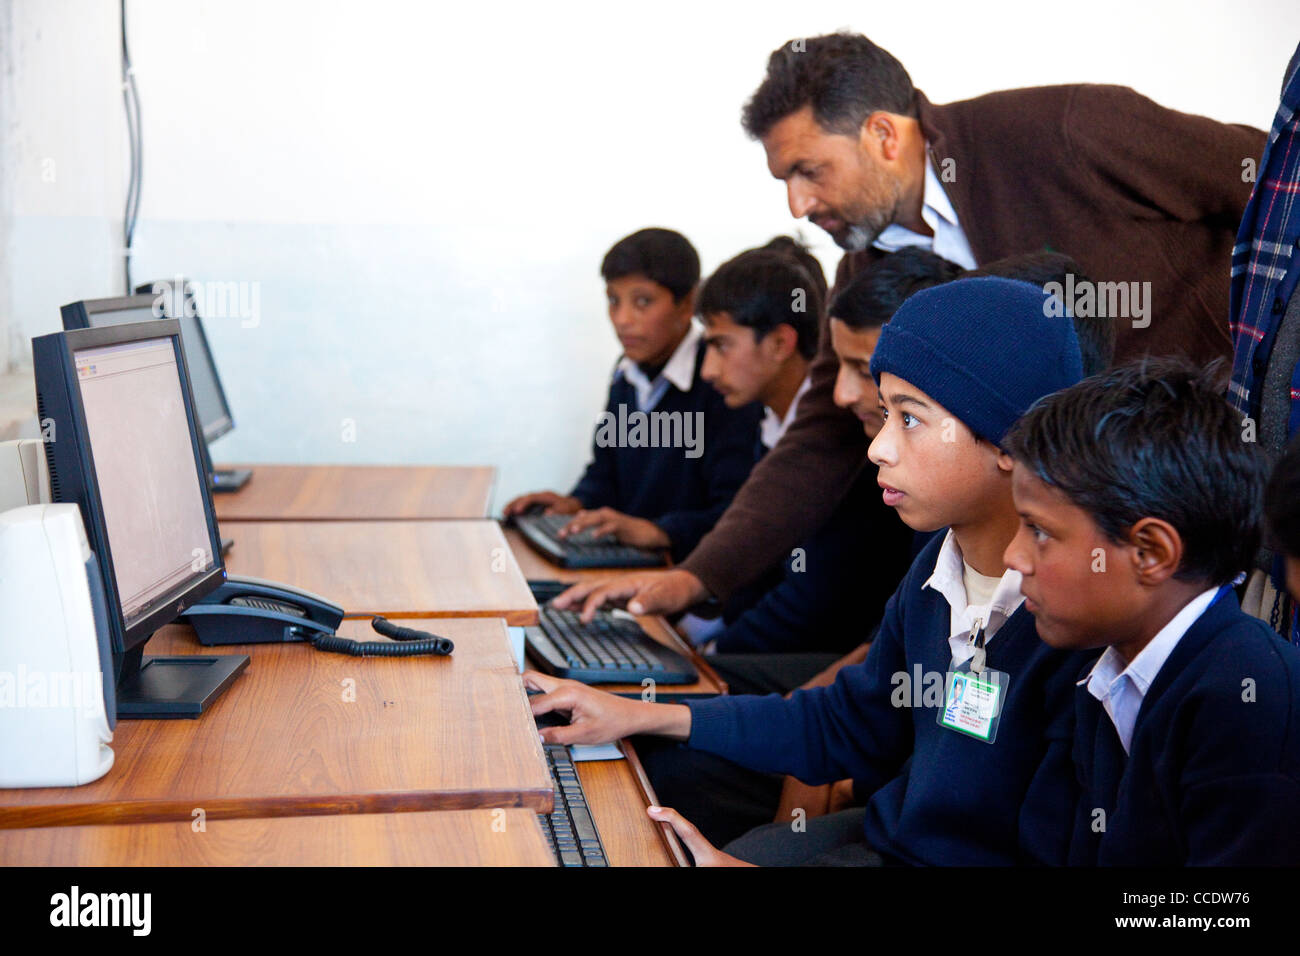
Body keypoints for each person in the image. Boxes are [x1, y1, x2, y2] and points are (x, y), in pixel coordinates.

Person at [555, 31, 1262, 634]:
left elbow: (1268, 184)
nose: (800, 205)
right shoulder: (866, 266)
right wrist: (699, 576)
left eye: (809, 171)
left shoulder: (1063, 131)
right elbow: (821, 439)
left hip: (1224, 474)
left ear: (884, 135)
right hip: (1079, 552)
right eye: (786, 181)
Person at [528, 277, 1090, 865]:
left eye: (911, 419)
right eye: (884, 414)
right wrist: (639, 713)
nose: (877, 448)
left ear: (1007, 437)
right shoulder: (939, 565)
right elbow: (848, 722)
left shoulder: (1065, 618)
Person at [1003, 359, 1300, 865]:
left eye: (1040, 532)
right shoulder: (1105, 670)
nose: (1013, 557)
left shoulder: (1249, 701)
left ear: (1151, 553)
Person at [502, 227, 761, 562]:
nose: (622, 320)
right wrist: (574, 504)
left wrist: (662, 532)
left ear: (688, 303)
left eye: (643, 302)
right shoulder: (627, 373)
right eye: (613, 300)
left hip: (693, 579)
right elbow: (606, 474)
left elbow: (738, 512)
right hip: (629, 566)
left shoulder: (722, 382)